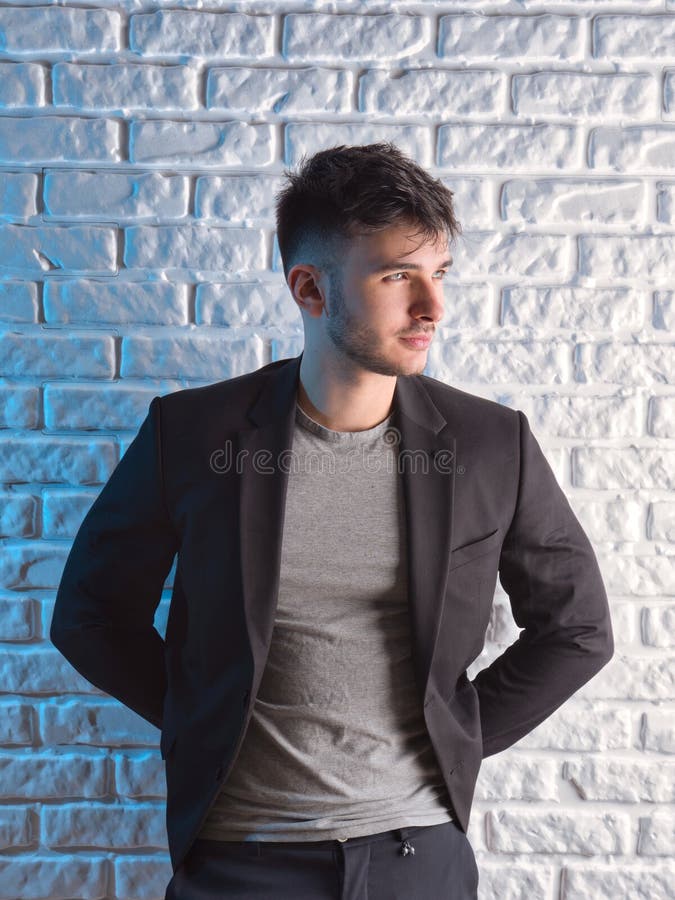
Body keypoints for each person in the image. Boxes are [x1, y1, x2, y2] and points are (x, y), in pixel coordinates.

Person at [51, 143, 614, 900]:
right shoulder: (193, 435)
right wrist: (203, 717)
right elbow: (90, 615)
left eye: (438, 274)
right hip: (240, 864)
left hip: (418, 859)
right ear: (309, 289)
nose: (432, 308)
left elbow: (576, 630)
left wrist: (461, 733)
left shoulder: (489, 443)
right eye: (395, 277)